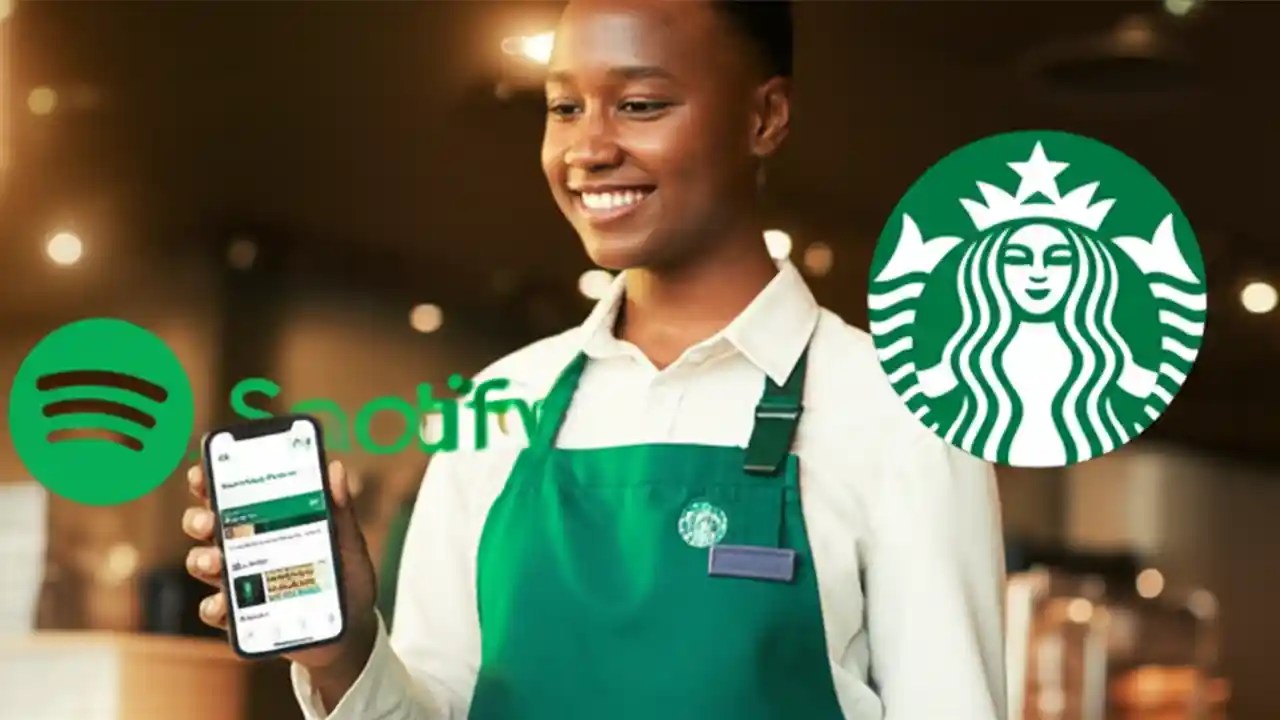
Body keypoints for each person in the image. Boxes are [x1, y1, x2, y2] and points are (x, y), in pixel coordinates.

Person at [181, 1, 1008, 717]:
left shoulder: (899, 410)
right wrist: (348, 649)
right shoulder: (498, 406)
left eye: (641, 104)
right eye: (564, 106)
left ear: (765, 119)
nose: (588, 147)